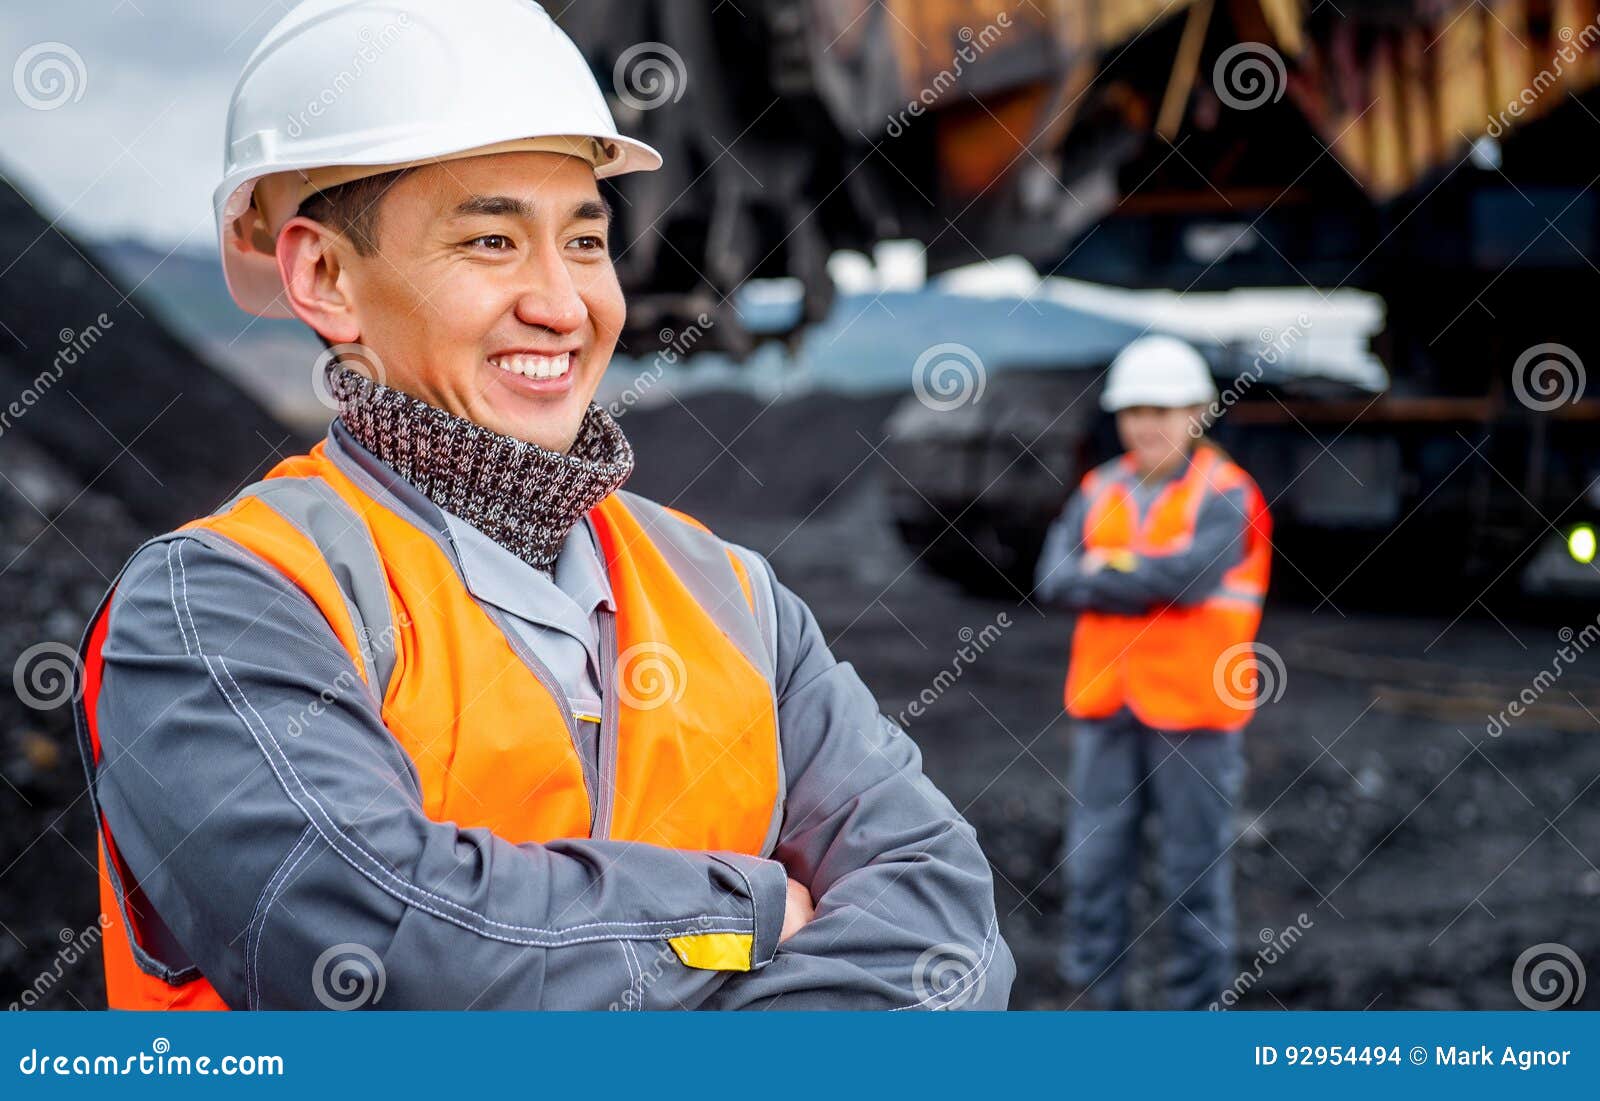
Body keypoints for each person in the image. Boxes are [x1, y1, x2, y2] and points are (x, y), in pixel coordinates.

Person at [73, 0, 1012, 1011]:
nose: (564, 304)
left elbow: (946, 933)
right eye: (489, 242)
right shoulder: (217, 607)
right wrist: (746, 918)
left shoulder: (734, 595)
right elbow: (386, 959)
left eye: (585, 241)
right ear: (325, 274)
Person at [1033, 334, 1271, 1010]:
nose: (1148, 424)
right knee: (1093, 872)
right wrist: (1140, 576)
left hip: (1195, 715)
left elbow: (1191, 578)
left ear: (1198, 412)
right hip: (1108, 708)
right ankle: (1097, 1020)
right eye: (1136, 410)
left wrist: (1105, 570)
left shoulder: (1227, 495)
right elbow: (1052, 577)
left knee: (1194, 879)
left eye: (1164, 410)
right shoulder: (1097, 488)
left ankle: (1195, 1026)